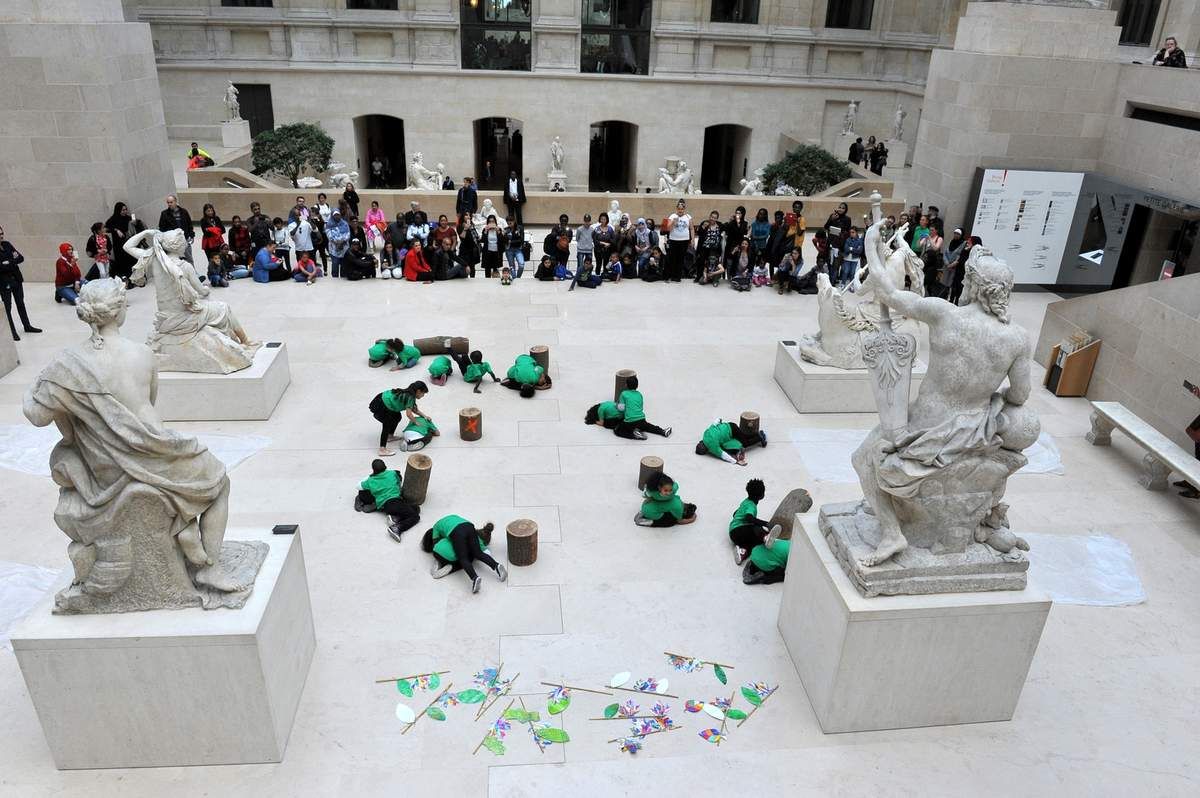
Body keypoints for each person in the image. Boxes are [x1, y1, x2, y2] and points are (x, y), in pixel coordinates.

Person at [423, 515, 506, 593]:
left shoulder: (435, 529)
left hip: (457, 532)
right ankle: (496, 566)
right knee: (478, 553)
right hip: (469, 526)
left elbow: (435, 543)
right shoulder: (448, 518)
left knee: (463, 558)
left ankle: (475, 578)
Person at [355, 459, 421, 543]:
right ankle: (396, 528)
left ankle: (395, 518)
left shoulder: (370, 481)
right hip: (395, 501)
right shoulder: (392, 473)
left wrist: (370, 476)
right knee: (415, 516)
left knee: (415, 508)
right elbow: (399, 481)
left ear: (373, 470)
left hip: (385, 506)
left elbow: (358, 486)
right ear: (385, 466)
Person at [727, 479, 783, 566]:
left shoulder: (745, 502)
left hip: (735, 534)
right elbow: (749, 518)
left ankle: (742, 552)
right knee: (756, 528)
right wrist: (766, 523)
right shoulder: (751, 506)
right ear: (762, 495)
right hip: (738, 530)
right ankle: (765, 537)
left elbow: (735, 513)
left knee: (755, 543)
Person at [369, 381, 430, 457]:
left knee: (397, 417)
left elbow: (414, 409)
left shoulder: (409, 394)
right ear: (418, 391)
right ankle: (382, 449)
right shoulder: (410, 397)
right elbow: (409, 414)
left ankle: (390, 436)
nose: (423, 395)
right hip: (380, 404)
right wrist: (415, 422)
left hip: (382, 400)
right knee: (387, 423)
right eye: (423, 393)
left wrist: (425, 416)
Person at [0, 225, 40, 340]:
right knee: (7, 308)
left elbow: (20, 258)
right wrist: (10, 263)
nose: (1, 236)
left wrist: (7, 263)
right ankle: (12, 332)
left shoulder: (7, 244)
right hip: (4, 283)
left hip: (16, 279)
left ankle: (27, 326)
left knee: (21, 304)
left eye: (2, 233)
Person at [615, 375, 672, 440]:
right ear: (637, 385)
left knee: (617, 430)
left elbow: (621, 408)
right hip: (641, 419)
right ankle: (663, 431)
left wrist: (616, 405)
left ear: (626, 385)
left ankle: (633, 435)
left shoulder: (624, 393)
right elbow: (640, 407)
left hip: (630, 421)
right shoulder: (639, 394)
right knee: (649, 427)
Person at [695, 418, 765, 466]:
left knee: (745, 443)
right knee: (743, 437)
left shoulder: (712, 446)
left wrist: (735, 461)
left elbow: (724, 455)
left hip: (732, 431)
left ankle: (759, 437)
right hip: (730, 425)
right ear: (700, 442)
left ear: (706, 450)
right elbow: (715, 422)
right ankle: (757, 434)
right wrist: (720, 420)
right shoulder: (705, 434)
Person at [105, 203, 144, 285]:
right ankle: (128, 282)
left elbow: (137, 227)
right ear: (118, 210)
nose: (125, 211)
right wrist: (116, 230)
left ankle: (136, 280)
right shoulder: (113, 219)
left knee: (132, 261)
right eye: (123, 210)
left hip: (130, 243)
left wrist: (135, 223)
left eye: (126, 209)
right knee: (123, 263)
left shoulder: (129, 218)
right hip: (119, 245)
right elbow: (106, 228)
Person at [157, 195, 195, 264]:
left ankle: (192, 273)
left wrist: (191, 235)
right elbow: (162, 228)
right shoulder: (164, 214)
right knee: (176, 261)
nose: (169, 204)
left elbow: (189, 224)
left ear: (176, 202)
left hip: (185, 240)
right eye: (168, 203)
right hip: (173, 243)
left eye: (171, 202)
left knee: (189, 259)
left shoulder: (184, 212)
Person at [665, 199, 693, 282]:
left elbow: (691, 229)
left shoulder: (688, 217)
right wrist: (673, 222)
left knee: (681, 259)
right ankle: (671, 275)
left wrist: (693, 239)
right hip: (673, 240)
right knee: (673, 258)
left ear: (684, 209)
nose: (680, 210)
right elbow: (667, 229)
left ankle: (678, 277)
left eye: (682, 209)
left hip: (684, 241)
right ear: (676, 209)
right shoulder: (672, 216)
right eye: (679, 209)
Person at [694, 211, 724, 282]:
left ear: (717, 219)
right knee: (701, 262)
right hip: (704, 247)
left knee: (712, 263)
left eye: (715, 218)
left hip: (714, 249)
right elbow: (698, 233)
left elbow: (726, 228)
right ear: (709, 216)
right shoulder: (705, 223)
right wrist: (703, 227)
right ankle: (699, 277)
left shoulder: (719, 225)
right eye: (712, 217)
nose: (713, 219)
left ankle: (711, 277)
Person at [325, 210, 350, 278]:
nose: (337, 216)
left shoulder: (345, 223)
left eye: (338, 215)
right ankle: (335, 278)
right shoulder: (329, 224)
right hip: (334, 249)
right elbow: (329, 235)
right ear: (332, 216)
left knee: (344, 265)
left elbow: (348, 234)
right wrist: (337, 242)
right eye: (335, 215)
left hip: (344, 248)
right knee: (335, 264)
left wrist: (342, 242)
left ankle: (343, 277)